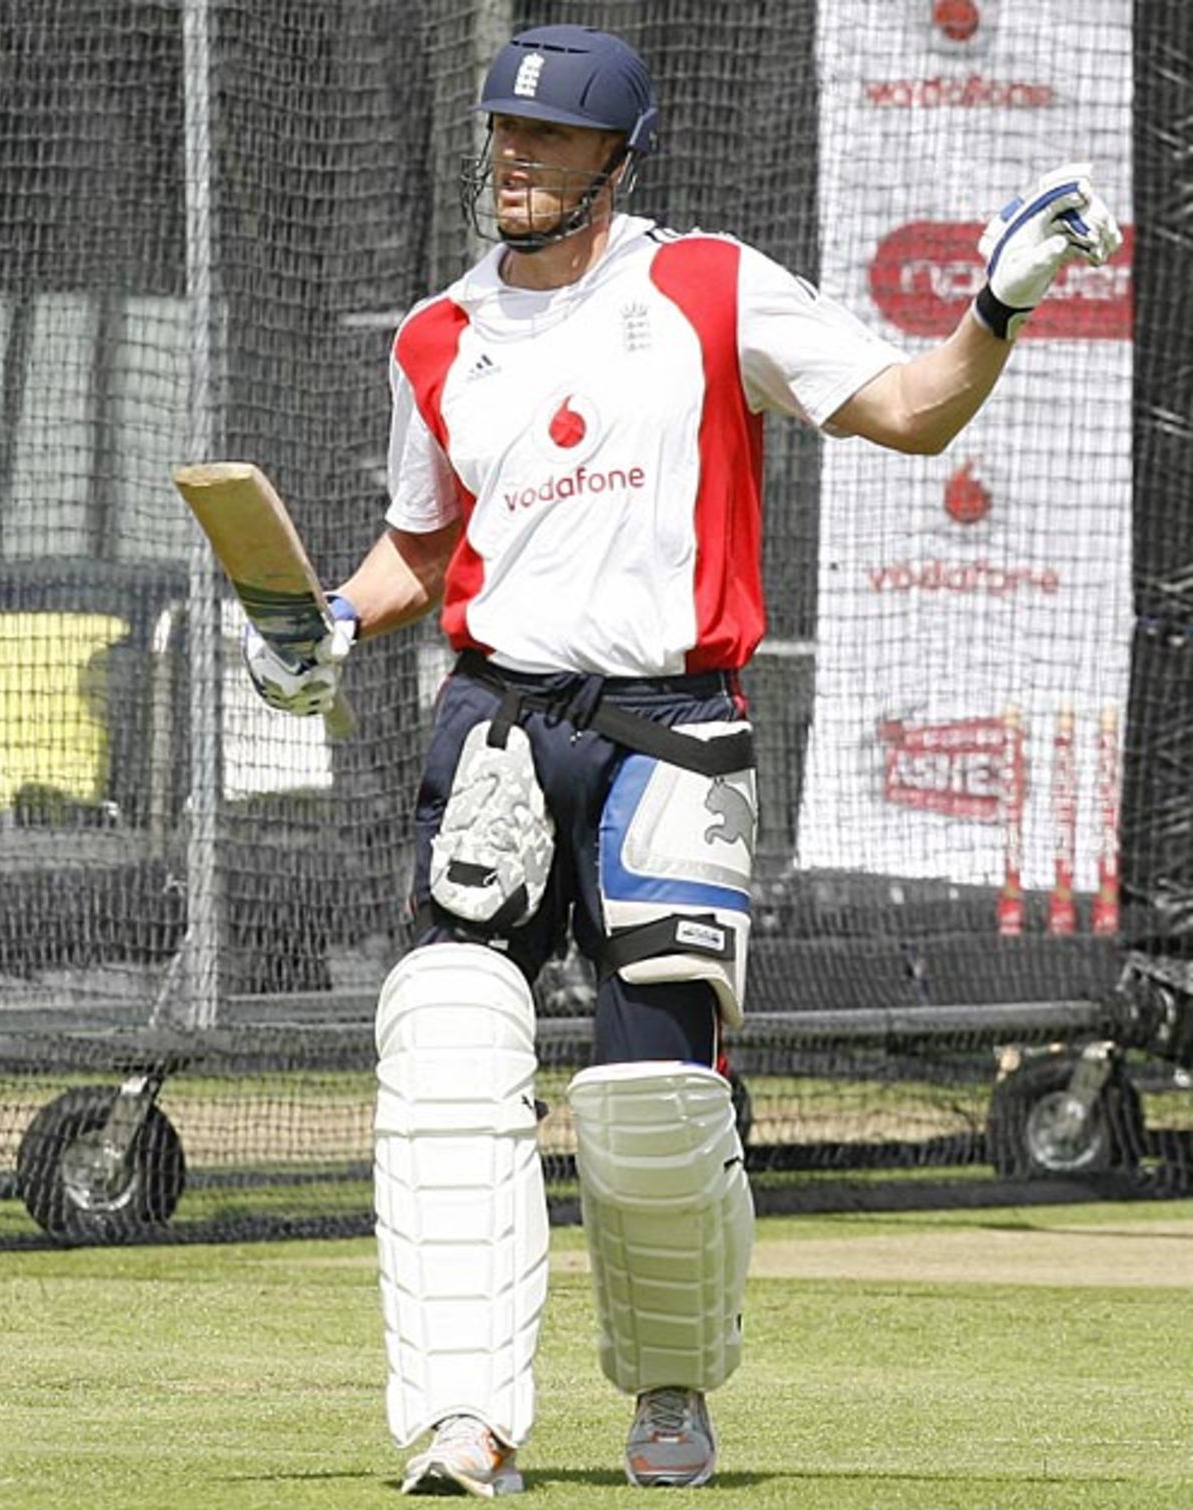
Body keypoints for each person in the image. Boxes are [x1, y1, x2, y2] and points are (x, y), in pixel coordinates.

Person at [242, 23, 1122, 1498]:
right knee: (450, 1055)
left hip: (673, 729)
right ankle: (465, 1421)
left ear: (614, 159)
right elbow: (419, 542)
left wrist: (994, 310)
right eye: (503, 135)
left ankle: (669, 1399)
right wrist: (325, 617)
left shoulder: (707, 285)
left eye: (551, 140)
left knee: (655, 1104)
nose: (513, 161)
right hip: (494, 728)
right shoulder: (435, 335)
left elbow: (911, 411)